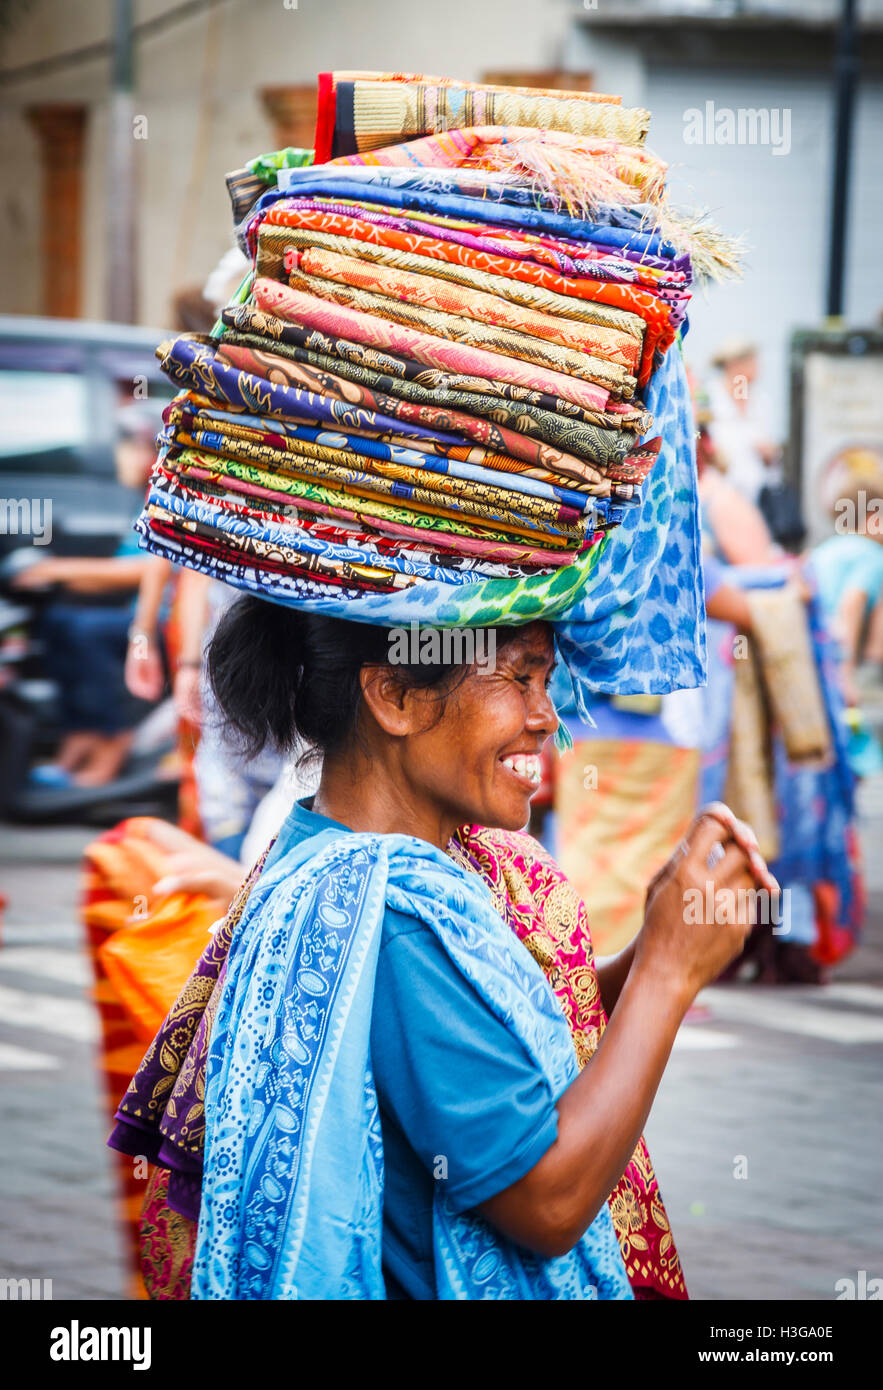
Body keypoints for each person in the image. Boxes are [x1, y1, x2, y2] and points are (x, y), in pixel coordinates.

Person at [107, 603, 774, 1301]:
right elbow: (546, 1203)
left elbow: (498, 1039)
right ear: (394, 696)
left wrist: (659, 950)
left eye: (546, 683)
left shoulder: (342, 853)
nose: (546, 717)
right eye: (519, 678)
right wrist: (666, 977)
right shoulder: (397, 915)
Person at [707, 338, 780, 506]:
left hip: (757, 493)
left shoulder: (762, 401)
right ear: (734, 365)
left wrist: (770, 453)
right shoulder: (708, 397)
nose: (758, 368)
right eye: (752, 362)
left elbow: (773, 453)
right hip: (719, 493)